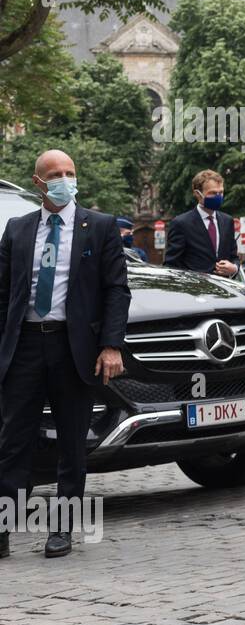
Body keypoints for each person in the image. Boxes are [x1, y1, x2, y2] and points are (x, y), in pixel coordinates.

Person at [0, 150, 130, 559]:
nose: (64, 179)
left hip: (72, 347)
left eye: (70, 172)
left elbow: (116, 290)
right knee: (12, 442)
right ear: (38, 183)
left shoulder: (100, 227)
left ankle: (61, 529)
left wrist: (111, 345)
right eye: (55, 174)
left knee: (71, 442)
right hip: (23, 346)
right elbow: (4, 294)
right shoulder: (18, 230)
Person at [164, 169, 239, 277]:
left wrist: (234, 268)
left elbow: (233, 257)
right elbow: (171, 265)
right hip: (195, 291)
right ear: (197, 194)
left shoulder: (227, 221)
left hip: (223, 290)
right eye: (213, 193)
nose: (218, 197)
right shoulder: (181, 223)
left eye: (221, 192)